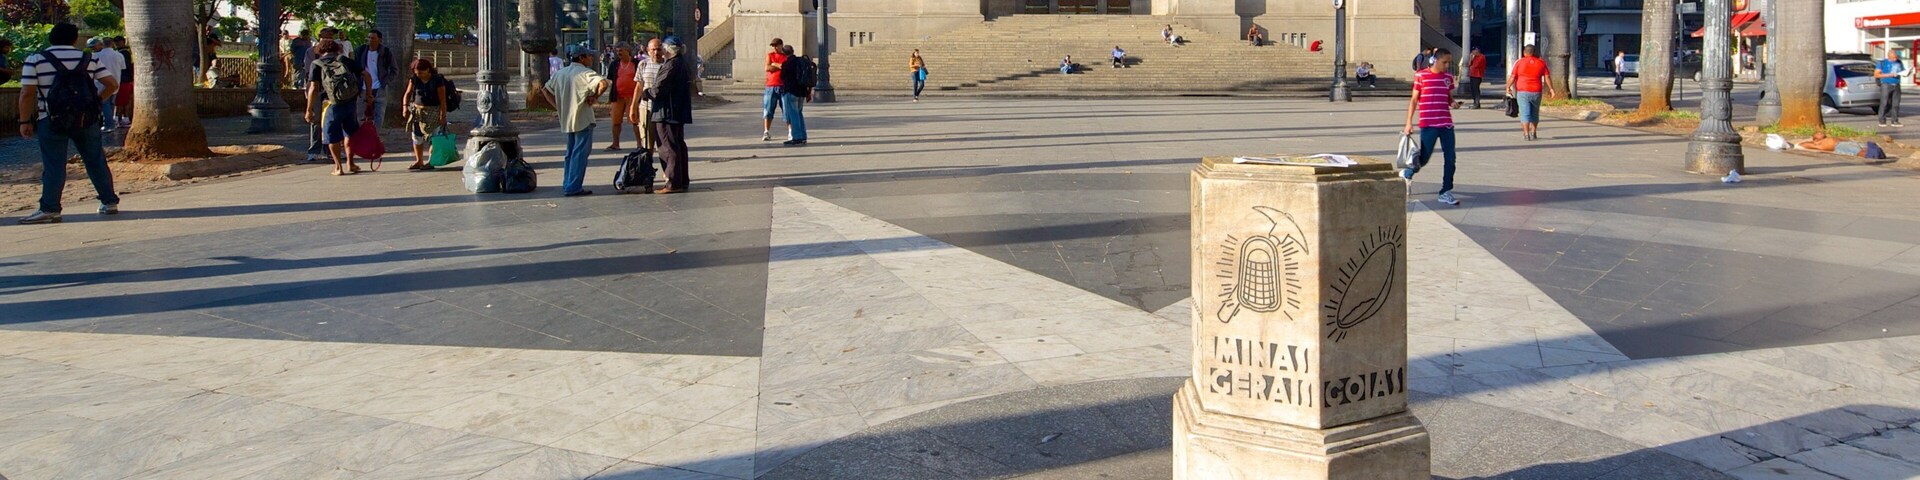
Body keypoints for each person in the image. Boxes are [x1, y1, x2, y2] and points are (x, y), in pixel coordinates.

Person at [16, 23, 121, 225]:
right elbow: (112, 84)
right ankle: (109, 202)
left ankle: (50, 208)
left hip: (50, 119)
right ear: (74, 40)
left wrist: (24, 121)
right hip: (86, 119)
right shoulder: (89, 59)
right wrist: (96, 103)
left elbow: (27, 93)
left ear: (51, 38)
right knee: (95, 160)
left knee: (54, 164)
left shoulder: (36, 59)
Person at [539, 46, 613, 197]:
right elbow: (603, 83)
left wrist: (558, 106)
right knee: (580, 154)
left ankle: (567, 183)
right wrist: (595, 97)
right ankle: (573, 186)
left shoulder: (560, 73)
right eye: (589, 56)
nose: (591, 59)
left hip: (567, 118)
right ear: (581, 58)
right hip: (583, 118)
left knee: (570, 153)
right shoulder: (585, 73)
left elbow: (545, 90)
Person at [304, 37, 374, 176]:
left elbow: (314, 88)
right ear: (336, 49)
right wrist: (369, 94)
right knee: (350, 133)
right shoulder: (343, 60)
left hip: (331, 104)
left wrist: (309, 109)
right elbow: (366, 75)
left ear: (320, 50)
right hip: (350, 102)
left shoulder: (316, 64)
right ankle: (351, 163)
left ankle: (338, 167)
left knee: (332, 136)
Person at [1401, 49, 1460, 206]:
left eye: (1449, 63)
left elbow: (1448, 97)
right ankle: (1407, 173)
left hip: (1446, 123)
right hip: (1428, 123)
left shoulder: (1448, 78)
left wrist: (1453, 103)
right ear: (1436, 60)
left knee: (1450, 158)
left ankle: (1446, 191)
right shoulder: (1421, 76)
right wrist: (1408, 123)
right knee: (1424, 158)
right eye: (1444, 62)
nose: (1447, 66)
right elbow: (1414, 100)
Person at [646, 38, 694, 194]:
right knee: (677, 145)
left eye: (663, 47)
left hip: (667, 112)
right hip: (676, 111)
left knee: (667, 146)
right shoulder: (682, 63)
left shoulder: (672, 65)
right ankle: (681, 180)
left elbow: (659, 89)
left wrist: (647, 93)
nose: (661, 50)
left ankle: (673, 182)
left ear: (669, 49)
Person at [400, 58, 449, 171]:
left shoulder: (437, 80)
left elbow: (442, 100)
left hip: (433, 111)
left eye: (421, 73)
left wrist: (443, 114)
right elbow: (407, 94)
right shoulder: (414, 79)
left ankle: (431, 161)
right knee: (417, 136)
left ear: (428, 70)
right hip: (417, 111)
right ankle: (419, 161)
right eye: (417, 73)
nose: (419, 75)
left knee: (433, 137)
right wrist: (405, 107)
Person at [626, 38, 667, 152]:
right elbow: (639, 86)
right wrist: (633, 107)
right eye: (653, 50)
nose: (656, 52)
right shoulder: (643, 64)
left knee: (663, 143)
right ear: (648, 51)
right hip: (646, 107)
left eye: (659, 49)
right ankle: (647, 161)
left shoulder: (667, 65)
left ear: (663, 50)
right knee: (647, 141)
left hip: (662, 108)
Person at [1506, 44, 1554, 141]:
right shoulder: (1541, 62)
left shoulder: (1519, 62)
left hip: (1522, 91)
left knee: (1525, 113)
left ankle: (1526, 134)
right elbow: (1547, 77)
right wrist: (1551, 89)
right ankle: (1533, 132)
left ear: (1524, 52)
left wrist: (1508, 87)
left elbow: (1513, 76)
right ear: (1534, 52)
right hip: (1536, 91)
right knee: (1535, 113)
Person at [355, 30, 398, 127]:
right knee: (360, 114)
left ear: (379, 40)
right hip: (363, 87)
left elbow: (394, 69)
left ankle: (376, 134)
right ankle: (362, 134)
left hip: (379, 87)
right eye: (369, 37)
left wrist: (386, 81)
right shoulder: (361, 50)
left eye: (373, 38)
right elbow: (356, 68)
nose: (370, 40)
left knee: (379, 115)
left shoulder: (385, 52)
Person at [607, 43, 641, 151]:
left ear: (628, 51)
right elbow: (611, 80)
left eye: (621, 50)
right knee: (615, 121)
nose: (619, 53)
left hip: (632, 97)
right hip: (618, 97)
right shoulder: (614, 64)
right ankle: (615, 143)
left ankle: (640, 144)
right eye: (617, 51)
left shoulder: (636, 63)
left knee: (635, 121)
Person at [87, 38, 126, 132]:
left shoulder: (96, 55)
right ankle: (110, 123)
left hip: (100, 84)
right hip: (115, 82)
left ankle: (108, 125)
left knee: (104, 104)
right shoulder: (119, 55)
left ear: (102, 44)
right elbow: (123, 68)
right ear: (112, 44)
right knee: (111, 104)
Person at [779, 45, 811, 147]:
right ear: (793, 51)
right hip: (802, 91)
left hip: (791, 91)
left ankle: (797, 137)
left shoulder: (787, 63)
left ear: (784, 53)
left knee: (793, 115)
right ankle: (803, 136)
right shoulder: (800, 61)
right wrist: (808, 92)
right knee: (799, 113)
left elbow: (782, 76)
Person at [761, 38, 788, 142]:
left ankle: (790, 131)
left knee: (786, 109)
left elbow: (785, 68)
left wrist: (774, 64)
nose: (775, 47)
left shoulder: (785, 56)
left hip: (783, 85)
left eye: (777, 45)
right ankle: (766, 131)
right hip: (770, 86)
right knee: (768, 109)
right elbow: (767, 68)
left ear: (781, 45)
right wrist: (779, 66)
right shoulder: (770, 55)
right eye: (773, 46)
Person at [1875, 46, 1905, 128]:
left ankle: (1895, 121)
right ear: (1888, 57)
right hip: (1886, 84)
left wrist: (1907, 73)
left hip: (1896, 84)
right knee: (1884, 103)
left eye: (1896, 57)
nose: (1895, 59)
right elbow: (1876, 74)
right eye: (1893, 58)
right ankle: (1882, 121)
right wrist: (1889, 75)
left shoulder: (1899, 62)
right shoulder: (1882, 63)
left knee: (1896, 104)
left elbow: (1903, 71)